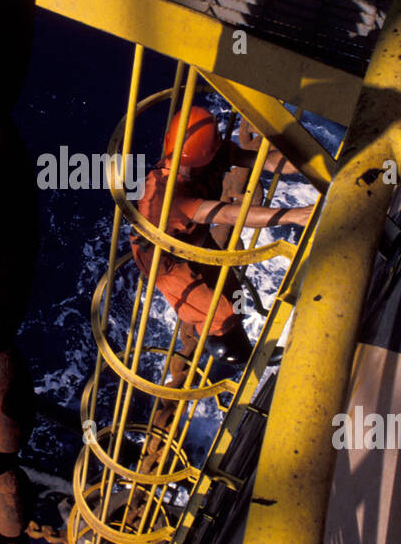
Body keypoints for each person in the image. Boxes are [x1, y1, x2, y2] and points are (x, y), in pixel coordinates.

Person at [129, 105, 314, 475]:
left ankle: (244, 345)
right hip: (163, 259)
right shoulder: (168, 195)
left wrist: (309, 166)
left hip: (190, 238)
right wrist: (293, 215)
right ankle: (232, 361)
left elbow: (262, 159)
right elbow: (229, 215)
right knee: (220, 313)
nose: (183, 168)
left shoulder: (209, 154)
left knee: (231, 290)